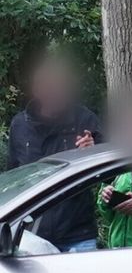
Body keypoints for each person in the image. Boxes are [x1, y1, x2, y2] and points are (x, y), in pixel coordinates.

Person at [7, 54, 103, 252]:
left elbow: (110, 174)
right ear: (37, 89)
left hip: (78, 234)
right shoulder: (20, 125)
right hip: (32, 235)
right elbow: (13, 178)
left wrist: (93, 151)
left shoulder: (84, 119)